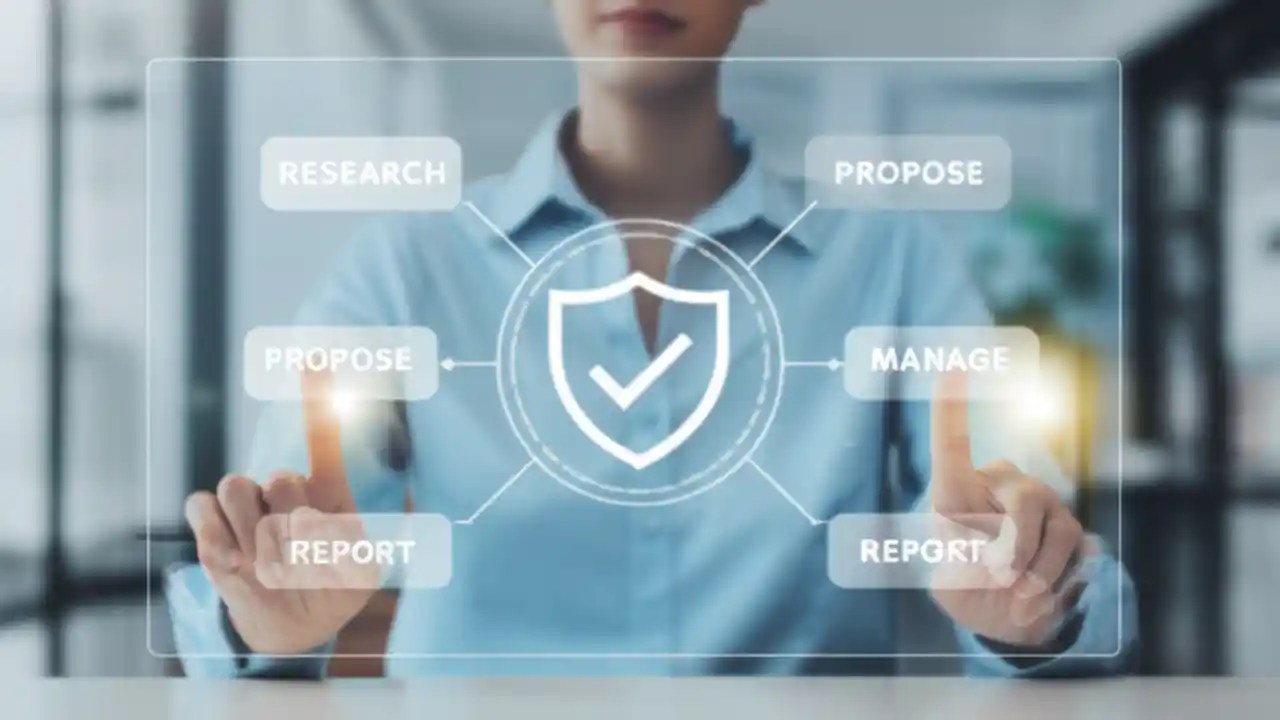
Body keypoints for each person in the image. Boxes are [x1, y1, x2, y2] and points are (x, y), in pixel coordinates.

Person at [171, 0, 1135, 677]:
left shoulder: (893, 263)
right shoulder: (400, 267)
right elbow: (280, 546)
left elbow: (1053, 559)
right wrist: (259, 619)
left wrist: (1036, 602)